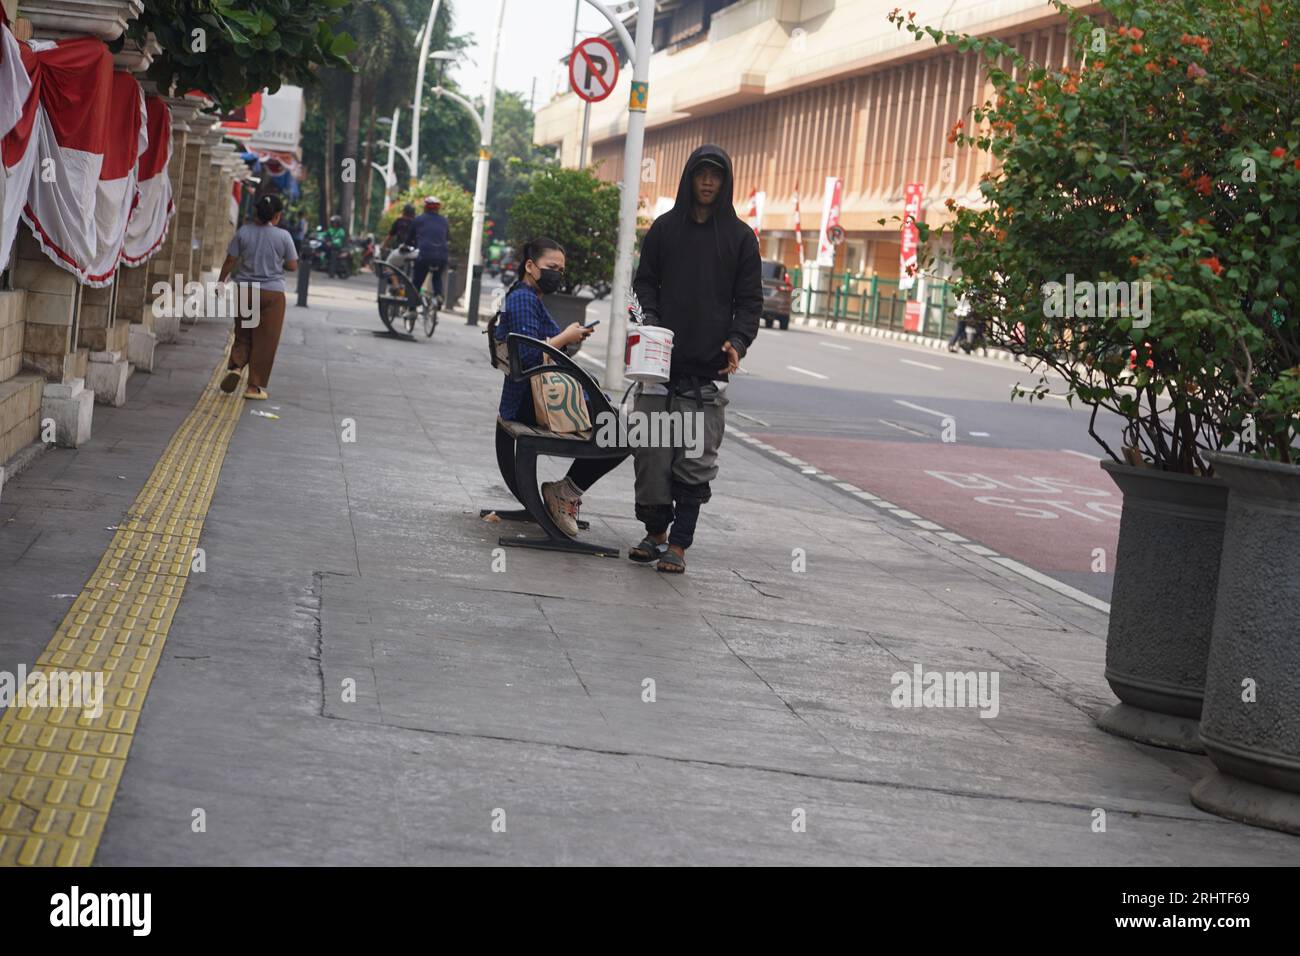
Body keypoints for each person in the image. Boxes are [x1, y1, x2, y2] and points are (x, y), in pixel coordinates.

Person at [628, 143, 761, 574]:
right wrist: (650, 320)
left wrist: (737, 343)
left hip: (707, 372)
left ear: (725, 183)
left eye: (715, 176)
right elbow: (644, 283)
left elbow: (750, 303)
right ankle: (654, 535)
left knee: (694, 460)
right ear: (689, 178)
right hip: (657, 365)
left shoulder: (741, 238)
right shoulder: (664, 230)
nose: (707, 182)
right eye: (701, 174)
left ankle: (679, 546)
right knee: (650, 453)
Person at [493, 237, 627, 536]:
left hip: (529, 398)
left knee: (618, 425)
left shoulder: (529, 296)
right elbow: (527, 355)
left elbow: (549, 341)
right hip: (530, 405)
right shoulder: (523, 299)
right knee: (624, 435)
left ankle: (563, 492)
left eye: (561, 270)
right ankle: (564, 493)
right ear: (530, 266)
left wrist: (570, 336)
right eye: (551, 267)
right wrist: (564, 338)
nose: (557, 274)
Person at [218, 193, 298, 400]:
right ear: (277, 215)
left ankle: (236, 368)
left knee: (244, 333)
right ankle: (253, 387)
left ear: (257, 212)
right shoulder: (283, 236)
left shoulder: (244, 232)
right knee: (266, 340)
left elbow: (230, 260)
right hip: (272, 294)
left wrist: (220, 282)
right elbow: (292, 265)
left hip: (246, 290)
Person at [409, 196, 449, 305]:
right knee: (437, 277)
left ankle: (412, 308)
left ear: (425, 207)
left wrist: (405, 246)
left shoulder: (418, 219)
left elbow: (409, 239)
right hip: (441, 256)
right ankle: (438, 295)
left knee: (417, 282)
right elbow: (447, 238)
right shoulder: (444, 221)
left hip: (424, 256)